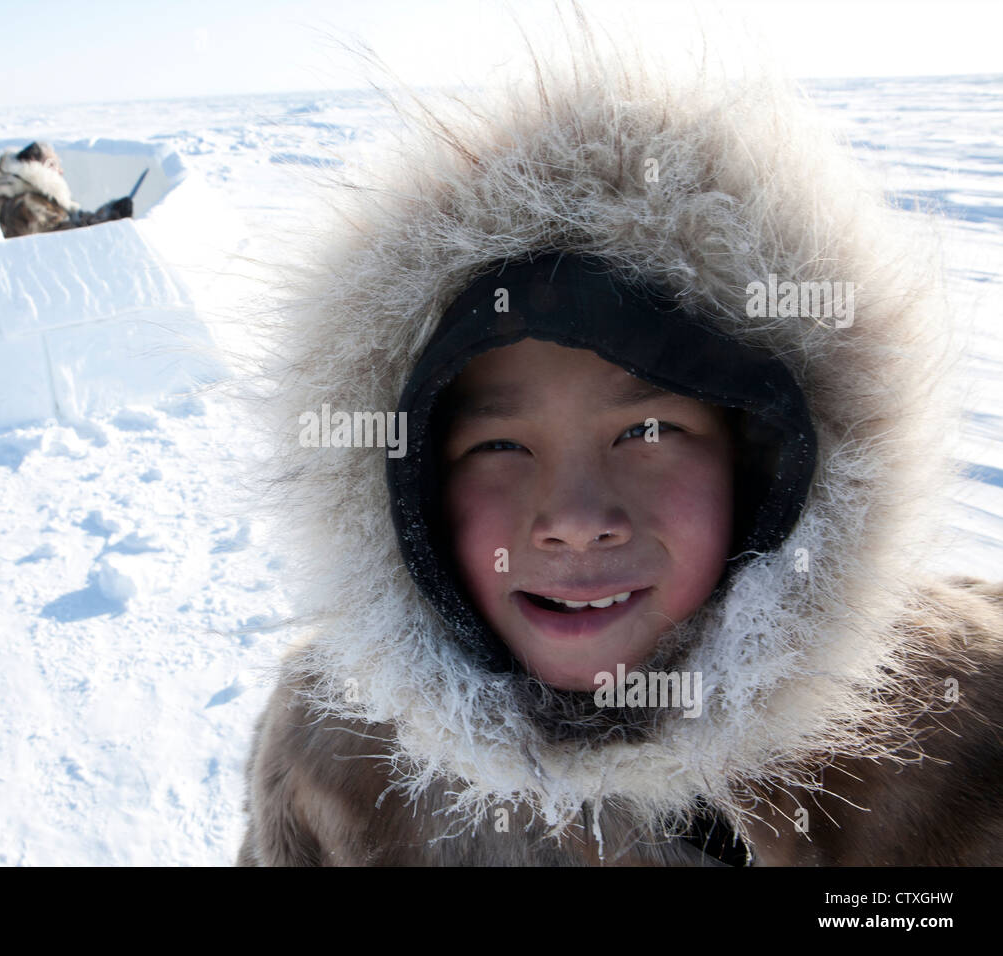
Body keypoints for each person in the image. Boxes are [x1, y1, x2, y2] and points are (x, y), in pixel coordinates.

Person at [234, 18, 1003, 866]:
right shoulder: (332, 757)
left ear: (763, 464)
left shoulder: (966, 729)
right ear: (405, 495)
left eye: (648, 430)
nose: (573, 518)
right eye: (497, 444)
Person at [0, 141, 134, 239]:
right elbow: (63, 238)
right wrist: (108, 219)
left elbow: (73, 221)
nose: (60, 171)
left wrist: (110, 213)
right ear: (34, 164)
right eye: (53, 164)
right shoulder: (25, 205)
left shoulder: (34, 198)